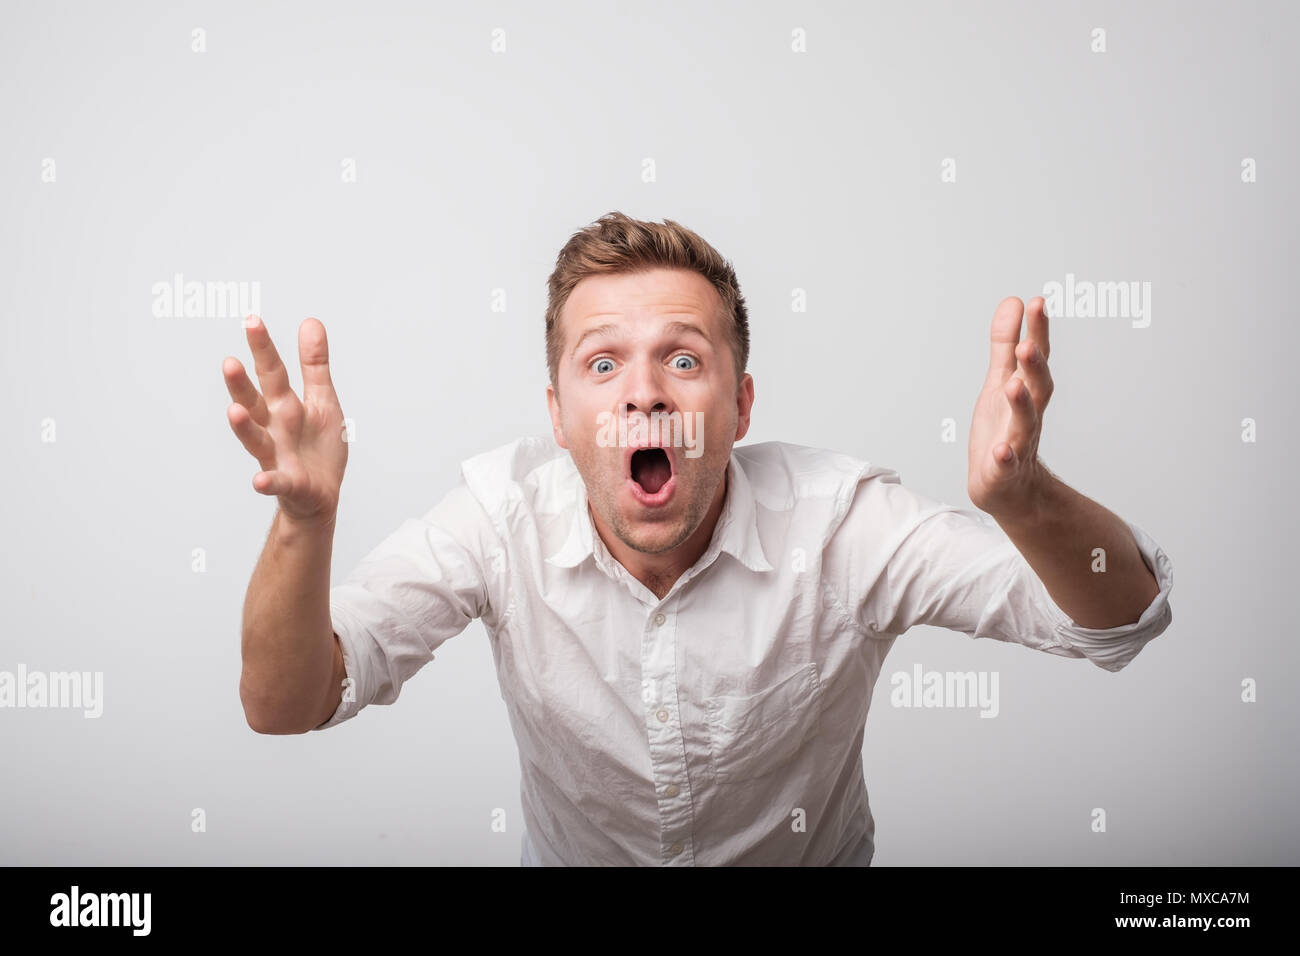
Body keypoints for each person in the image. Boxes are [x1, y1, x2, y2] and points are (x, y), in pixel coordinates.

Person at [223, 211, 1174, 866]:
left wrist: (1024, 499)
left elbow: (1118, 620)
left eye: (683, 358)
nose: (644, 393)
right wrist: (305, 524)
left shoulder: (841, 523)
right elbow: (287, 703)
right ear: (559, 417)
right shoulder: (498, 517)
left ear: (740, 404)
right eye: (604, 364)